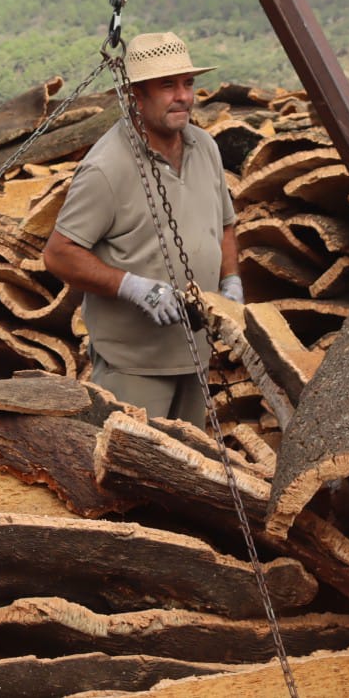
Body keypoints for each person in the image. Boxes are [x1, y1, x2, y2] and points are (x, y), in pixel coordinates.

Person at [43, 32, 241, 427]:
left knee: (189, 471)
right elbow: (59, 253)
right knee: (134, 474)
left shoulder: (205, 147)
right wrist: (133, 287)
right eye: (167, 85)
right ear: (135, 95)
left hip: (196, 354)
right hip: (134, 366)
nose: (183, 96)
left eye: (187, 83)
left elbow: (225, 225)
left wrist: (231, 282)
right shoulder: (107, 167)